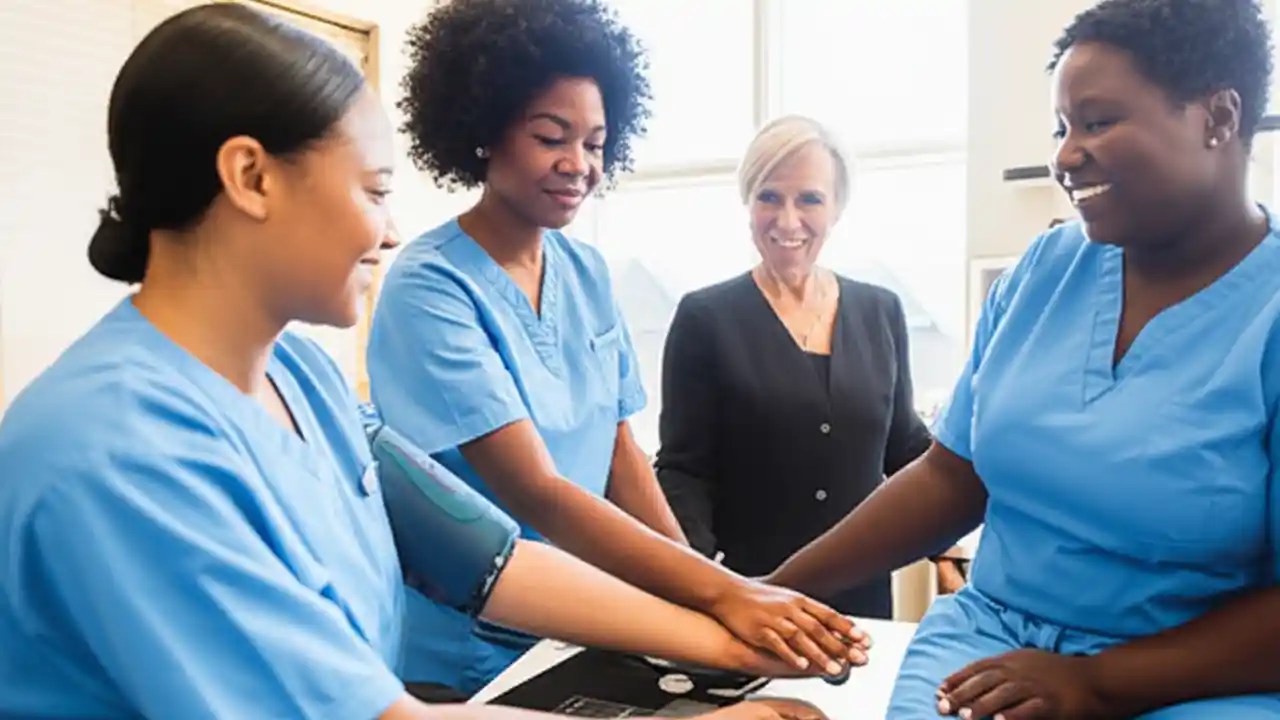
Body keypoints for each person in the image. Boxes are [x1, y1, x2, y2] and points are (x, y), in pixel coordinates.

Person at [0, 5, 834, 719]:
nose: (390, 231)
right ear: (250, 177)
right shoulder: (117, 453)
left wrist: (732, 624)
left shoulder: (305, 378)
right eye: (373, 190)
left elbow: (487, 558)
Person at [767, 0, 1280, 717]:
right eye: (1062, 128)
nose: (1067, 154)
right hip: (991, 640)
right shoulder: (1045, 270)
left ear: (1218, 120)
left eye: (1097, 123)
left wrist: (1097, 682)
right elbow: (953, 475)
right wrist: (772, 593)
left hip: (1200, 677)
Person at [370, 0, 866, 696]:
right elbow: (537, 490)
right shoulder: (429, 287)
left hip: (589, 622)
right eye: (552, 137)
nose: (579, 164)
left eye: (597, 144)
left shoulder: (585, 272)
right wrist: (720, 596)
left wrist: (706, 584)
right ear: (484, 131)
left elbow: (620, 454)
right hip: (466, 651)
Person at [654, 116, 931, 620]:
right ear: (748, 203)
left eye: (809, 199)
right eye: (768, 197)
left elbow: (906, 447)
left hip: (864, 603)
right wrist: (696, 582)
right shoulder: (705, 317)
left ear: (837, 208)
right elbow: (684, 469)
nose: (787, 220)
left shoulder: (880, 311)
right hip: (753, 599)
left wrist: (949, 546)